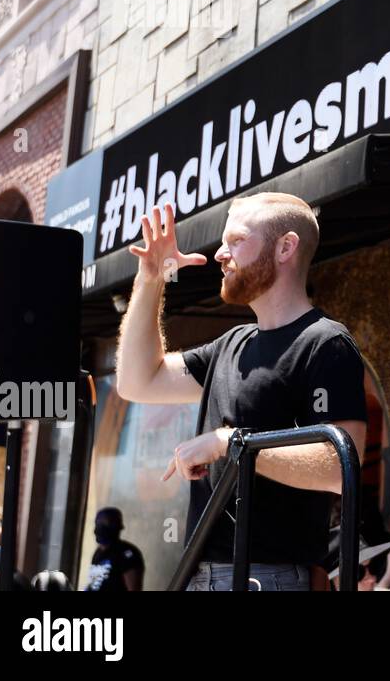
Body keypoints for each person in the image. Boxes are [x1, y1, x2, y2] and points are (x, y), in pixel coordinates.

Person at [115, 194, 367, 592]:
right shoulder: (232, 344)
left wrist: (228, 444)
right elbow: (136, 381)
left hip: (268, 578)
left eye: (236, 241)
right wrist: (150, 279)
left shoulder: (326, 343)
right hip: (202, 572)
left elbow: (339, 467)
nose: (219, 254)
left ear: (286, 247)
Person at [82, 507, 144, 592]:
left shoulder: (126, 553)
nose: (100, 526)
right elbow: (95, 584)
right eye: (98, 523)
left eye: (105, 523)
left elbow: (133, 588)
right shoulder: (98, 553)